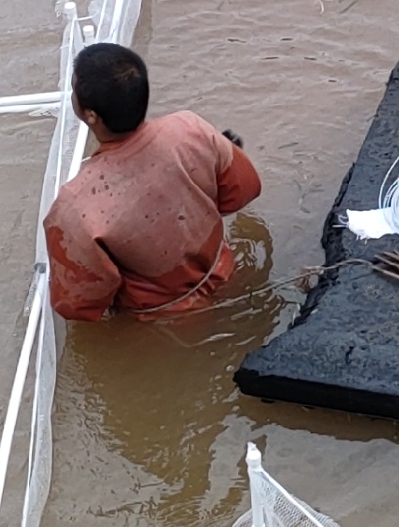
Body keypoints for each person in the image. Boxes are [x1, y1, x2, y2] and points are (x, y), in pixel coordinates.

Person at [44, 44, 260, 322]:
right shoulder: (190, 128)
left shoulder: (75, 206)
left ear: (91, 115)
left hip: (164, 321)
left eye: (73, 90)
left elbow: (76, 303)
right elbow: (245, 189)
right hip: (228, 271)